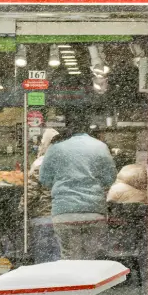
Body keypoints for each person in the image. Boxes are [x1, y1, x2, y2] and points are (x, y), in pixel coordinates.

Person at [39, 107, 117, 260]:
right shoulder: (99, 146)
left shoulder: (56, 147)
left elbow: (44, 179)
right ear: (88, 125)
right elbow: (110, 178)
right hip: (94, 211)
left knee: (70, 260)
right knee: (93, 261)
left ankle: (74, 283)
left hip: (64, 212)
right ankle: (90, 283)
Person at [19, 129, 60, 262]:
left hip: (43, 217)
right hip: (63, 216)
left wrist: (21, 208)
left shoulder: (41, 163)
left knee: (44, 261)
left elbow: (31, 192)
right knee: (59, 258)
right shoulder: (66, 162)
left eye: (42, 142)